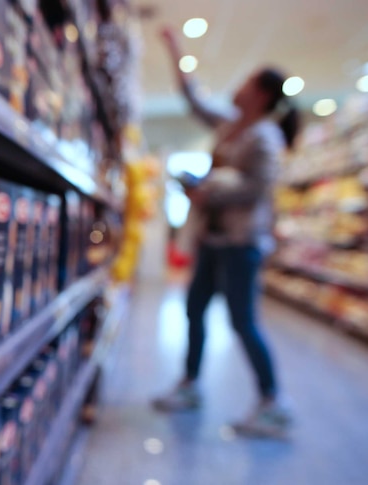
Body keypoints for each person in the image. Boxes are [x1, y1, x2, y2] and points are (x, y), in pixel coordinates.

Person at [152, 25, 300, 438]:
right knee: (194, 309)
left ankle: (274, 402)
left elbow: (257, 187)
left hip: (241, 243)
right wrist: (174, 48)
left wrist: (210, 191)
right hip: (214, 239)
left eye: (249, 81)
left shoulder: (264, 135)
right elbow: (193, 99)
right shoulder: (230, 125)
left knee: (242, 321)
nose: (241, 85)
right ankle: (190, 385)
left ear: (263, 94)